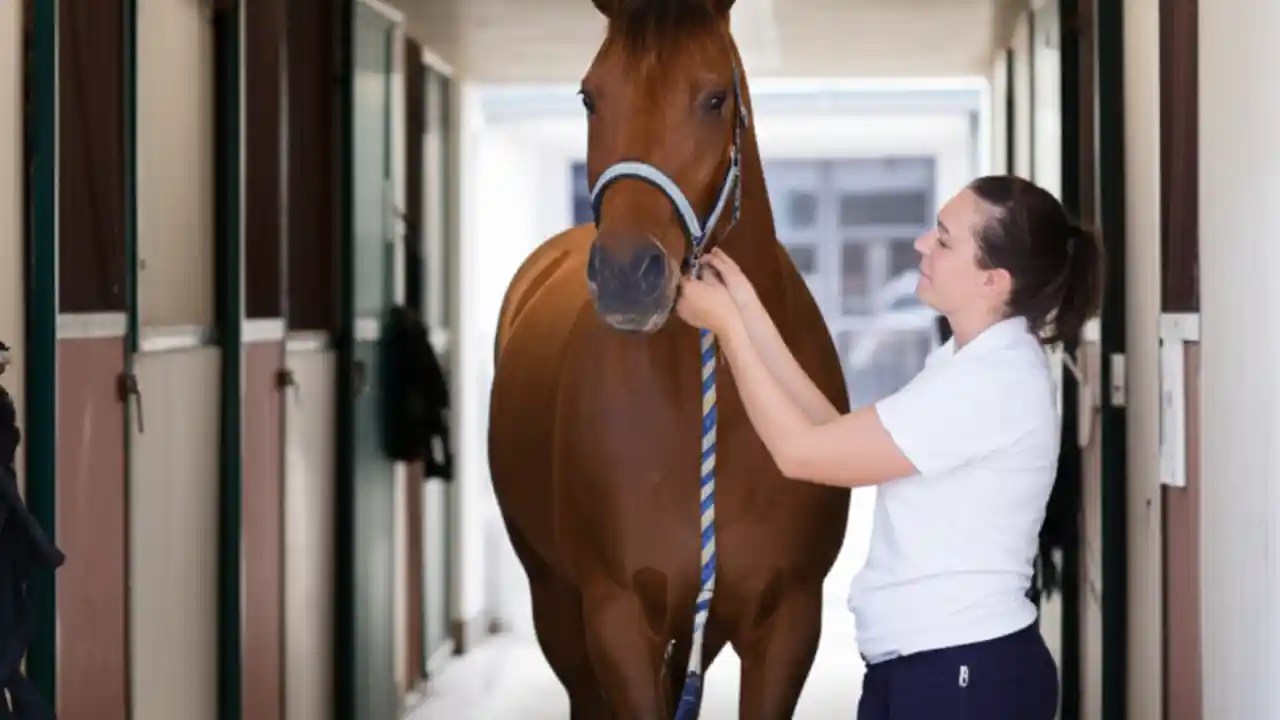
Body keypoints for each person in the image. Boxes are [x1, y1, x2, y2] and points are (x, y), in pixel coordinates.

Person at [675, 175, 1103, 719]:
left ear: (993, 281)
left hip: (961, 676)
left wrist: (727, 330)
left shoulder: (990, 383)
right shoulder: (965, 362)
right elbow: (834, 432)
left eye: (945, 240)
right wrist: (746, 309)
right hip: (931, 667)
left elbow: (801, 454)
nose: (923, 244)